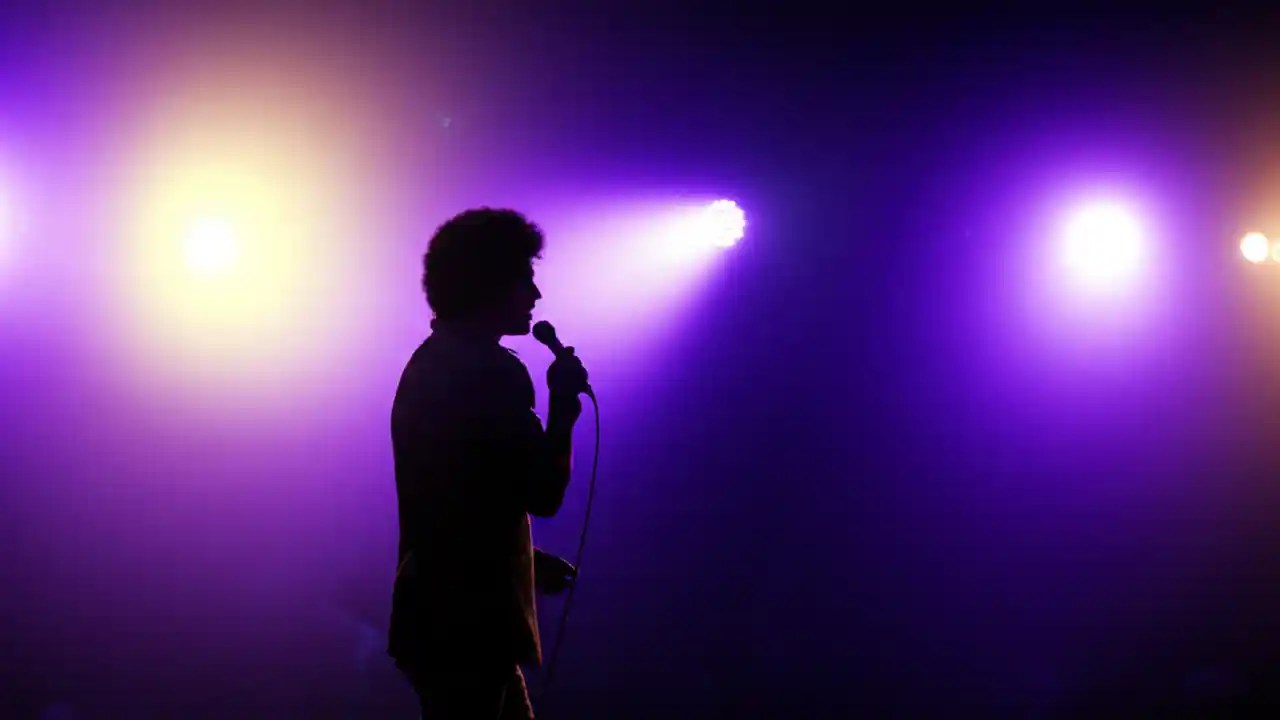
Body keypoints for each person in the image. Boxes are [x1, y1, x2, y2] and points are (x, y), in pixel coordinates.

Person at [389, 208, 588, 719]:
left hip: (433, 610)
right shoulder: (492, 372)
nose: (536, 296)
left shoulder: (429, 363)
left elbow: (459, 495)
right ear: (489, 283)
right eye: (524, 279)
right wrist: (563, 408)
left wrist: (522, 557)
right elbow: (542, 493)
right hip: (469, 622)